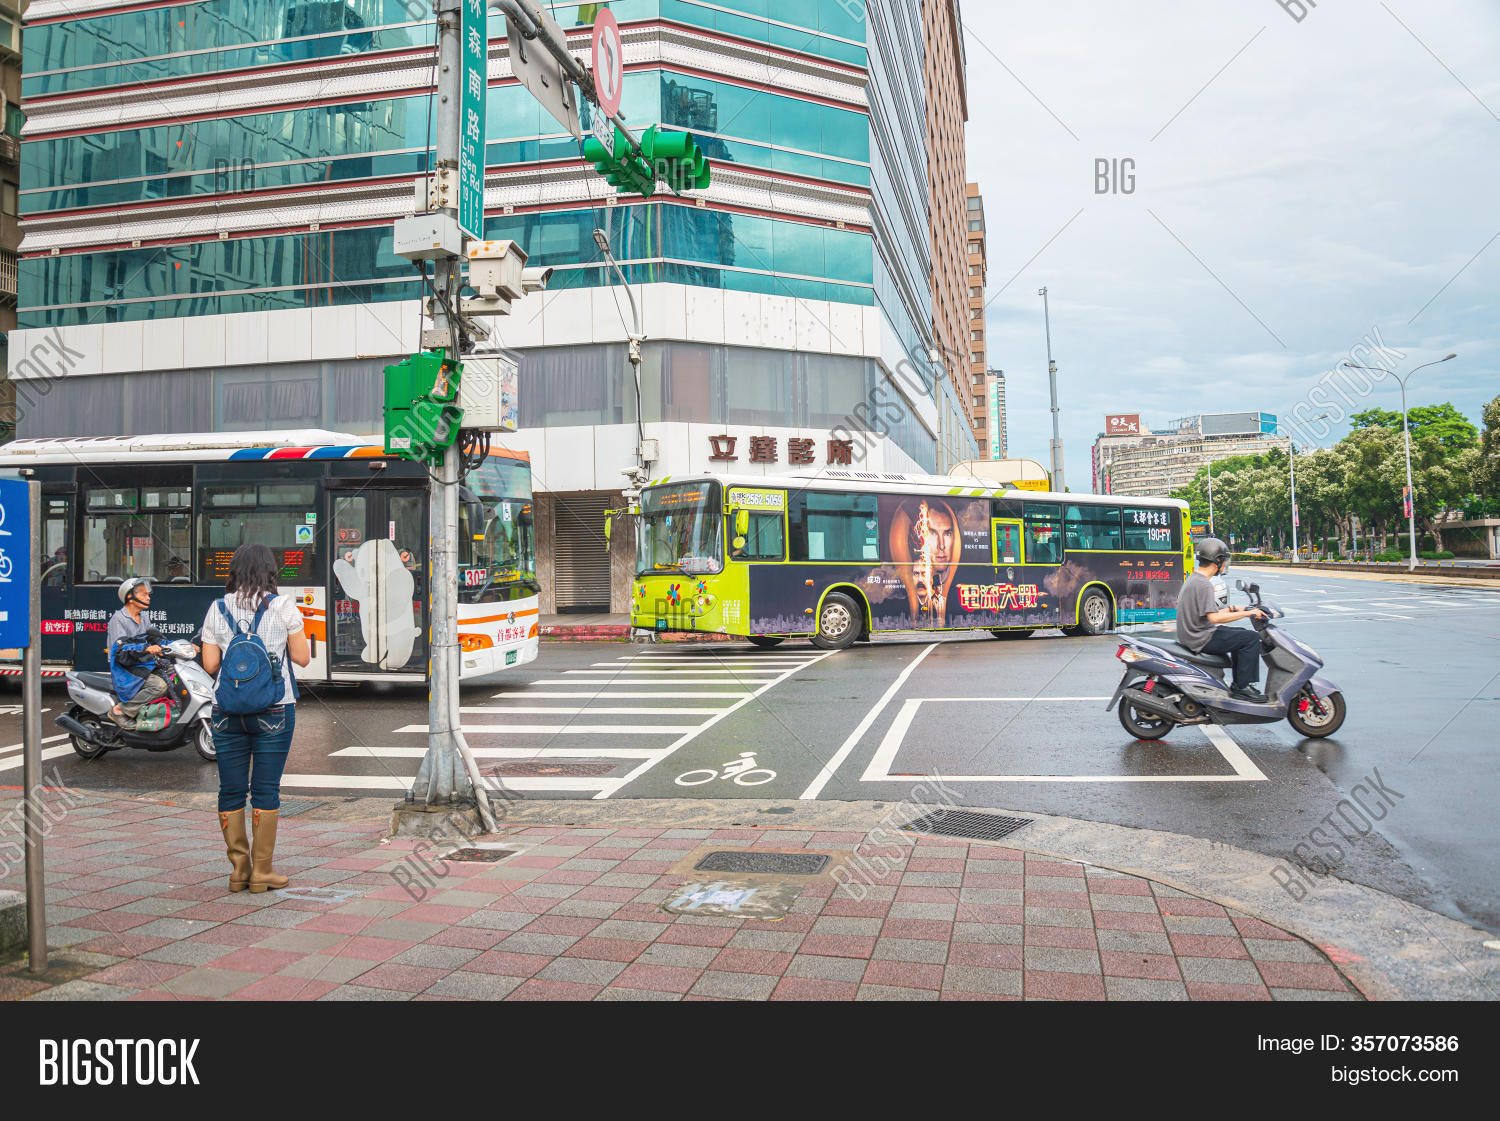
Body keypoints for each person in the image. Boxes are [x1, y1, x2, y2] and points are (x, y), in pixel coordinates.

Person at [200, 543, 311, 893]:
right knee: (265, 789)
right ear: (270, 571)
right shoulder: (283, 607)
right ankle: (263, 872)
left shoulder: (217, 608)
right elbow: (303, 658)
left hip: (225, 710)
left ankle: (239, 870)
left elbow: (210, 666)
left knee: (230, 789)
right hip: (275, 709)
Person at [1176, 537, 1268, 702]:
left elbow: (1208, 613)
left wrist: (1237, 609)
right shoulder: (1203, 584)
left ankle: (1241, 684)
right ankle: (1241, 687)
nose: (1225, 564)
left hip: (1195, 633)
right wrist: (1248, 614)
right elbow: (1215, 618)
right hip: (1201, 638)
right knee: (1251, 638)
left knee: (1241, 634)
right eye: (1224, 560)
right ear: (1217, 561)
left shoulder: (1195, 579)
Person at [105, 578, 169, 727]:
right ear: (130, 597)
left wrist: (181, 646)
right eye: (144, 595)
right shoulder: (119, 620)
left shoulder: (143, 617)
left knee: (176, 674)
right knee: (159, 686)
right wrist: (145, 648)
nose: (148, 598)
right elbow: (120, 652)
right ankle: (120, 710)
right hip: (126, 669)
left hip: (142, 664)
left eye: (148, 594)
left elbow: (155, 639)